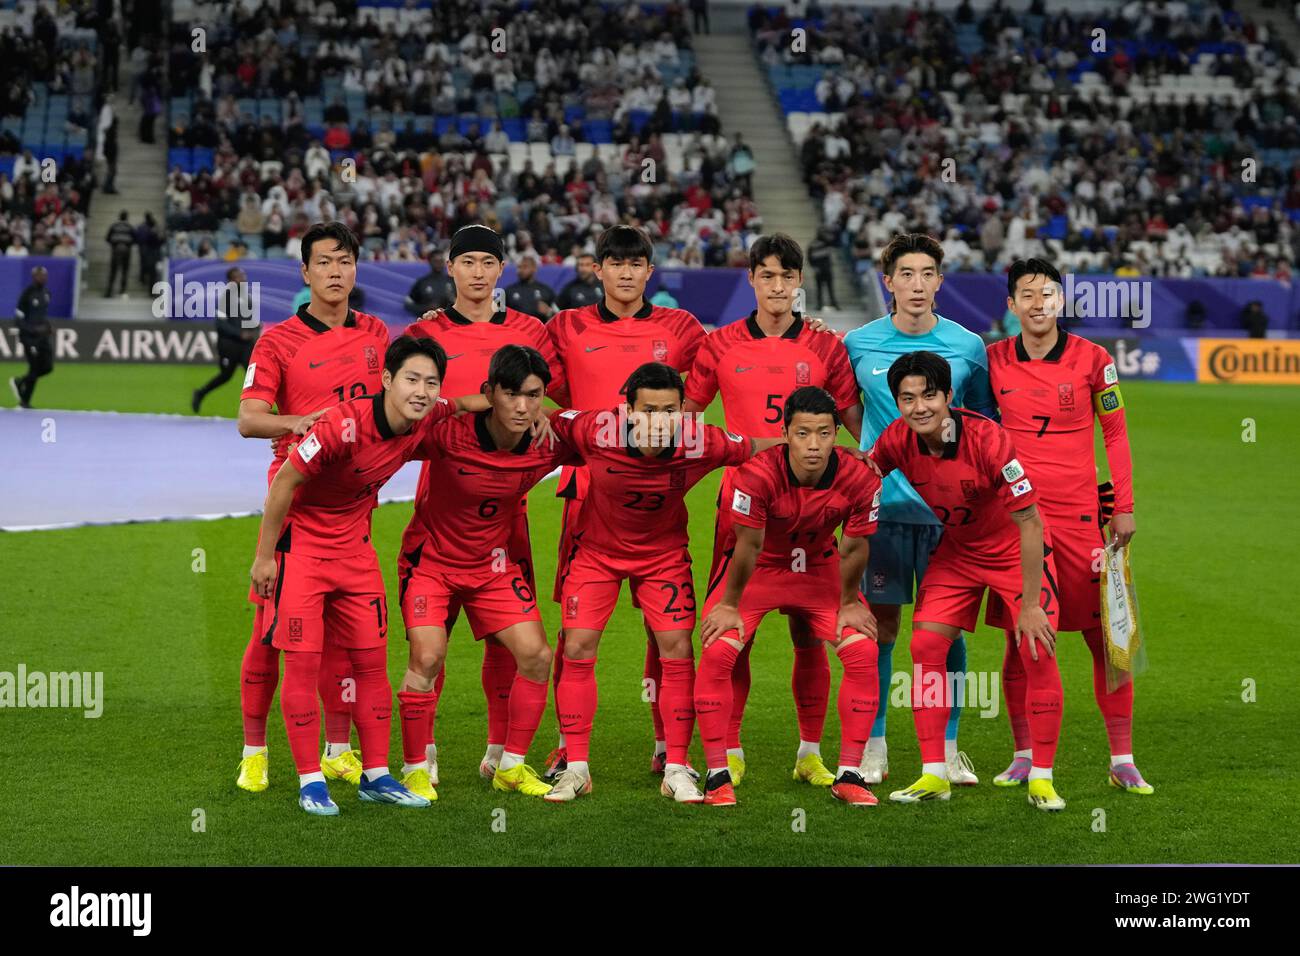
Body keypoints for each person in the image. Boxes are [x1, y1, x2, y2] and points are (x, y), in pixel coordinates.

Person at [249, 335, 477, 815]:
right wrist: (266, 558)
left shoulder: (428, 413)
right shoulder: (341, 425)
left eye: (431, 382)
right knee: (304, 664)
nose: (422, 390)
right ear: (388, 379)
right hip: (303, 549)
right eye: (411, 379)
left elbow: (468, 402)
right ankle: (311, 780)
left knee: (371, 664)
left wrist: (523, 407)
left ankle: (375, 774)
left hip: (356, 552)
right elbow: (285, 483)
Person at [544, 363, 783, 803]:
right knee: (577, 646)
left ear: (684, 412)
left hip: (663, 556)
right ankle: (576, 767)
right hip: (596, 553)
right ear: (627, 410)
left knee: (676, 648)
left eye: (671, 410)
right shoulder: (595, 429)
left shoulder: (702, 442)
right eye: (649, 410)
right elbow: (540, 420)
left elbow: (757, 447)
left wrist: (815, 446)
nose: (660, 421)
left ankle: (676, 766)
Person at [682, 233, 863, 787]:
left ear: (800, 282)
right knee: (735, 632)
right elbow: (689, 417)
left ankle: (810, 752)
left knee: (811, 635)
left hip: (813, 513)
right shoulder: (719, 345)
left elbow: (857, 426)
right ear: (752, 280)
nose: (778, 286)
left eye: (787, 276)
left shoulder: (828, 348)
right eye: (767, 276)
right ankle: (729, 748)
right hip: (742, 510)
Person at [400, 224, 565, 783]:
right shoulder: (427, 332)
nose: (476, 271)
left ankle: (500, 752)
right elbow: (404, 401)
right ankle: (422, 756)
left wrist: (541, 411)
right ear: (450, 268)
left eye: (486, 262)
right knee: (432, 642)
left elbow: (552, 394)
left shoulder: (529, 330)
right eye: (466, 261)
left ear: (500, 269)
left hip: (507, 503)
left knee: (510, 641)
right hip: (444, 487)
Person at [541, 225, 706, 781]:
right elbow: (534, 381)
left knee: (667, 630)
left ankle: (666, 744)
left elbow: (711, 377)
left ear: (649, 272)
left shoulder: (680, 327)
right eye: (616, 263)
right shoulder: (565, 326)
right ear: (599, 269)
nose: (627, 273)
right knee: (575, 626)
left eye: (637, 264)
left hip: (657, 488)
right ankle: (569, 747)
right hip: (588, 489)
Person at [868, 351, 1065, 811]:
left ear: (949, 396)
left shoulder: (988, 440)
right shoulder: (897, 439)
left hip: (1014, 550)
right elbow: (863, 476)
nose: (920, 407)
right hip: (958, 553)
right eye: (907, 398)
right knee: (925, 647)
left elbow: (1032, 522)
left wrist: (1032, 606)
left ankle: (1042, 777)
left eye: (929, 396)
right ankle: (934, 773)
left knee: (1036, 646)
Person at [234, 222, 391, 795]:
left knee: (347, 640)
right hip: (296, 504)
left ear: (355, 270)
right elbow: (249, 419)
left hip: (353, 501)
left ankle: (340, 751)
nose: (334, 272)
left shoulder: (375, 332)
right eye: (323, 262)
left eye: (344, 262)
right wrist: (302, 423)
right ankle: (255, 750)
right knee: (271, 635)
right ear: (305, 273)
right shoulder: (277, 341)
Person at [985, 258, 1149, 794]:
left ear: (1062, 303)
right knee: (1021, 639)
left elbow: (1117, 435)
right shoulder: (990, 362)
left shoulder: (1094, 360)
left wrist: (1121, 506)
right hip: (1016, 524)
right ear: (1011, 306)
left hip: (1082, 522)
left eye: (1048, 294)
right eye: (1026, 295)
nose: (1038, 303)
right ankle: (1024, 753)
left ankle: (1121, 757)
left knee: (1104, 639)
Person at [841, 233, 997, 787]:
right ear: (888, 282)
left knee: (947, 631)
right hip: (882, 512)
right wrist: (868, 458)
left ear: (939, 280)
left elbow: (983, 421)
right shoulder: (857, 343)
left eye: (926, 273)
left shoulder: (968, 346)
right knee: (880, 626)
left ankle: (949, 747)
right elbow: (847, 406)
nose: (916, 284)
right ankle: (875, 743)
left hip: (948, 519)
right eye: (905, 273)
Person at [697, 386, 885, 806]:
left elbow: (854, 546)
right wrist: (728, 606)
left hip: (820, 572)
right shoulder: (755, 473)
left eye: (823, 432)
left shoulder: (861, 477)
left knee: (861, 650)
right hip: (759, 571)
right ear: (785, 433)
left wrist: (851, 602)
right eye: (802, 433)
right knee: (719, 649)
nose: (813, 445)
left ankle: (842, 769)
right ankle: (718, 770)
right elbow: (747, 546)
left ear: (838, 433)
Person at [191, 266, 259, 413]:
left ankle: (257, 410)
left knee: (254, 375)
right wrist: (239, 333)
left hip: (246, 345)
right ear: (231, 281)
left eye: (243, 275)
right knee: (225, 375)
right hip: (229, 345)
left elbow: (246, 319)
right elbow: (220, 323)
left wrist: (255, 327)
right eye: (238, 276)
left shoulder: (245, 297)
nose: (243, 278)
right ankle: (200, 392)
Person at [10, 266, 53, 409]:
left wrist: (48, 327)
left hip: (42, 337)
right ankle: (25, 402)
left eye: (44, 275)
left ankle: (20, 382)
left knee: (47, 367)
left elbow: (42, 315)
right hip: (29, 338)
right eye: (39, 275)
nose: (42, 278)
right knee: (34, 368)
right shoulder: (27, 294)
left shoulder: (46, 293)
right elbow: (18, 319)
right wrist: (33, 330)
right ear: (33, 277)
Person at [404, 248, 456, 316]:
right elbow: (408, 304)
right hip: (428, 320)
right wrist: (425, 308)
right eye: (436, 261)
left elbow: (462, 303)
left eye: (441, 261)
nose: (439, 264)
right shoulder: (422, 283)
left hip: (450, 321)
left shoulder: (453, 281)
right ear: (430, 261)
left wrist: (452, 301)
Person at [504, 254, 557, 322]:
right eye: (519, 267)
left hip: (539, 330)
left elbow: (558, 316)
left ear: (534, 268)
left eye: (525, 267)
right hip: (516, 330)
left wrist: (549, 312)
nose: (521, 270)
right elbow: (498, 315)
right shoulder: (509, 291)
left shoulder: (546, 290)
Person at [807, 227, 840, 310]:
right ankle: (819, 304)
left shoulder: (827, 243)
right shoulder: (813, 245)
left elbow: (836, 242)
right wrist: (814, 267)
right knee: (819, 289)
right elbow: (810, 258)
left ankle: (833, 303)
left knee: (830, 288)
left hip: (827, 269)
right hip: (819, 270)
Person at [105, 210, 135, 297]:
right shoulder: (129, 227)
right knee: (124, 271)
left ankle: (109, 292)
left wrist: (114, 245)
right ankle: (122, 291)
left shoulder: (114, 226)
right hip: (126, 251)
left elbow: (107, 238)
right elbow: (135, 239)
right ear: (127, 218)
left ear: (119, 217)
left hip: (116, 250)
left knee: (113, 271)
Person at [136, 212, 162, 290]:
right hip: (152, 252)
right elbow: (159, 241)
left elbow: (137, 236)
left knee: (144, 263)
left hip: (144, 248)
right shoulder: (153, 231)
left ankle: (143, 278)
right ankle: (145, 280)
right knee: (152, 271)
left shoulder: (141, 227)